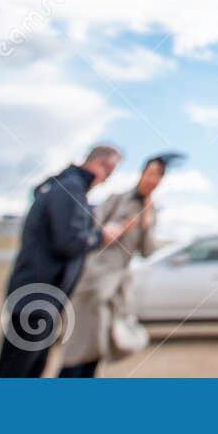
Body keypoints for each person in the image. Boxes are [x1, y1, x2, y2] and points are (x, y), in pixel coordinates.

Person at [0, 144, 143, 378]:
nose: (107, 178)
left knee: (32, 366)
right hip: (37, 294)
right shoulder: (70, 188)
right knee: (17, 369)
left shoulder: (70, 187)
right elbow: (69, 242)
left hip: (45, 296)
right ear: (99, 164)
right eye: (110, 170)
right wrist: (102, 236)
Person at [57, 152, 184, 378]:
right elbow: (90, 229)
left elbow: (146, 251)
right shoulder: (117, 199)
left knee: (97, 348)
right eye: (151, 173)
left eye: (159, 176)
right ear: (142, 173)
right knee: (77, 349)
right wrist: (113, 230)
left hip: (115, 288)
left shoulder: (151, 212)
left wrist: (146, 226)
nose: (153, 179)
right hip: (93, 282)